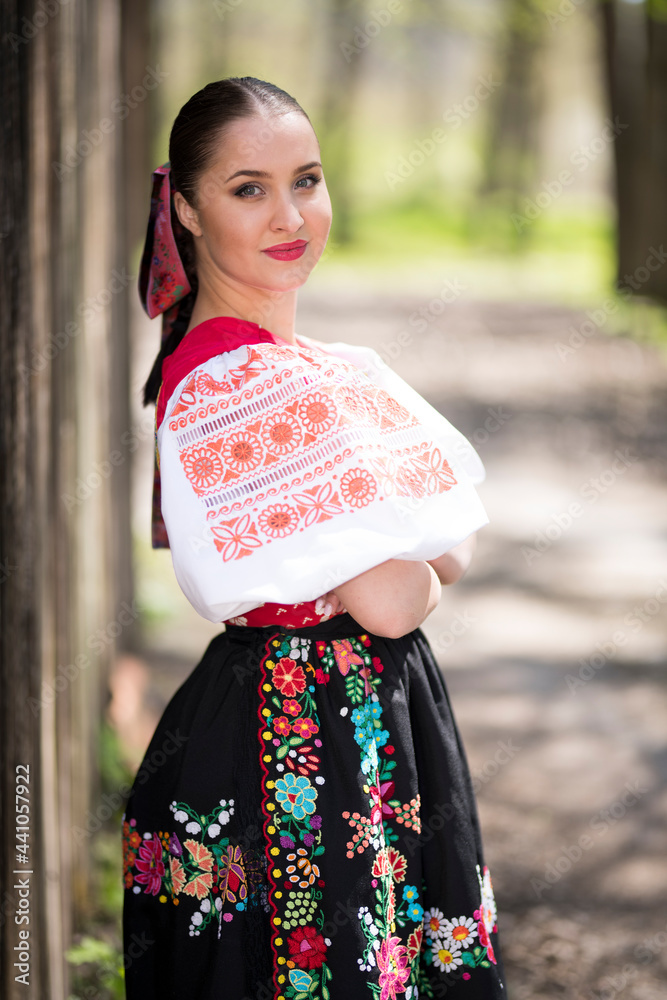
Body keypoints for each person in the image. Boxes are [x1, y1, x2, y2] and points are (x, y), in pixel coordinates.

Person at [121, 76, 508, 1000]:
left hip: (293, 721)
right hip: (309, 743)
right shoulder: (251, 384)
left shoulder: (271, 368)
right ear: (186, 208)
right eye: (247, 188)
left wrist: (410, 559)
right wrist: (422, 570)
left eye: (307, 178)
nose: (290, 214)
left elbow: (443, 540)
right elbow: (398, 590)